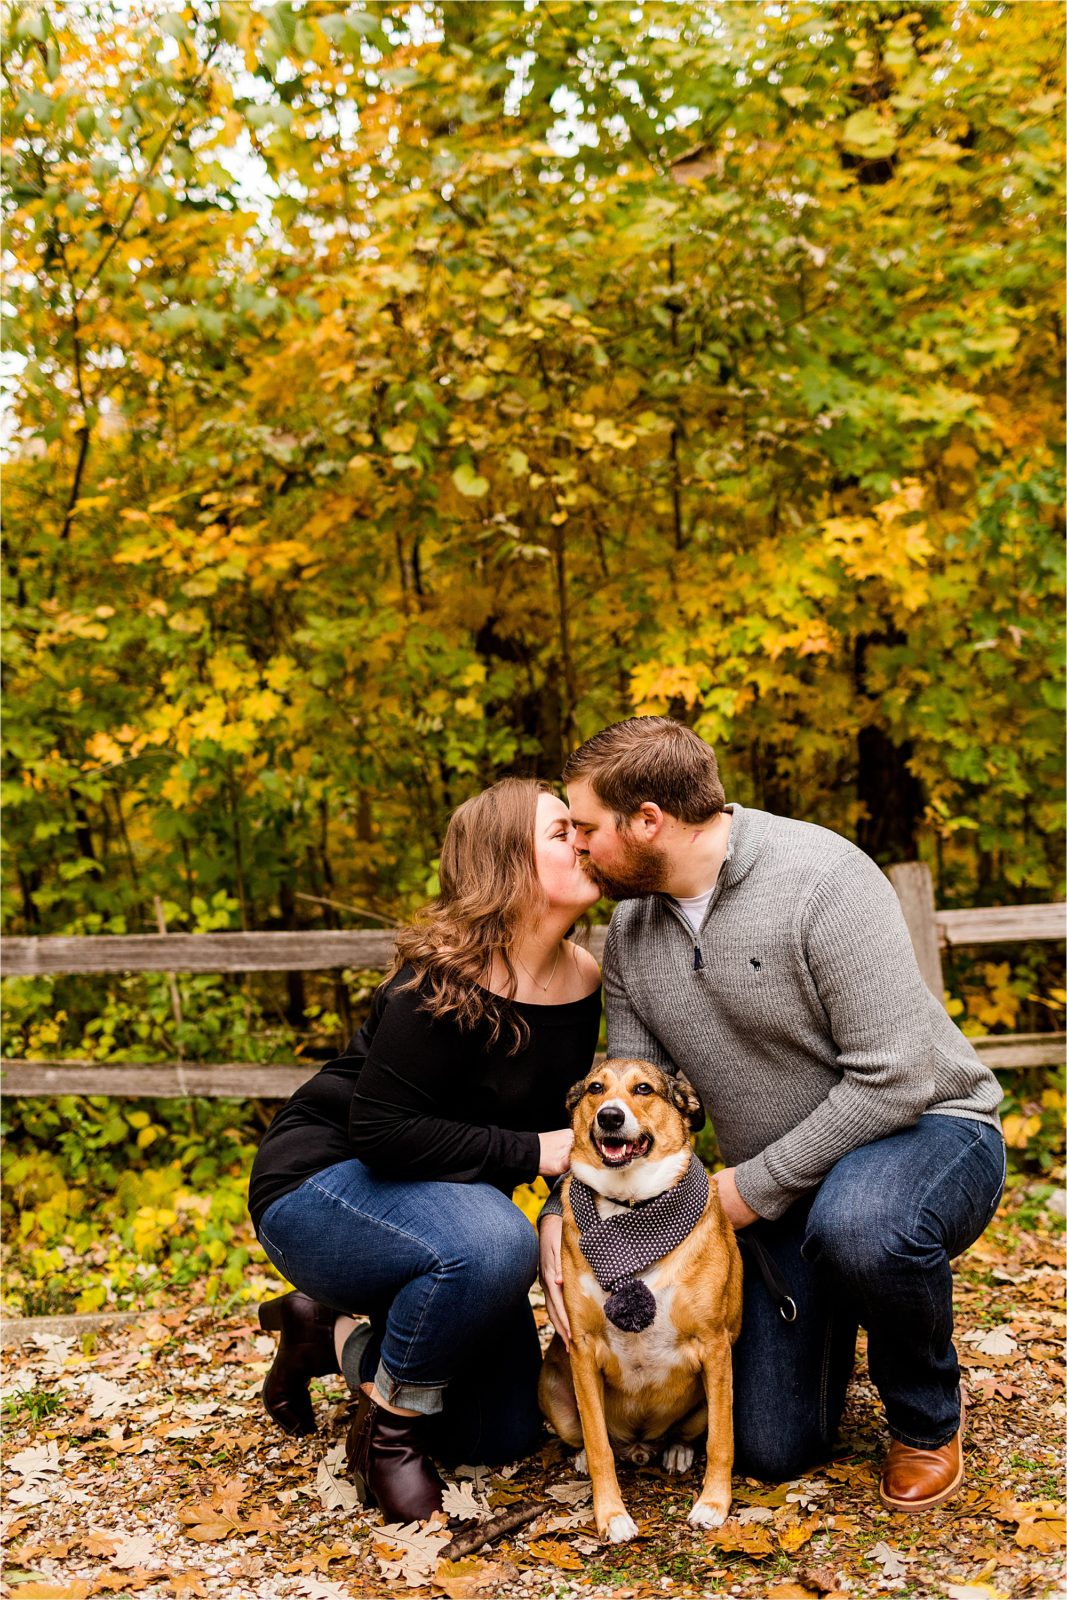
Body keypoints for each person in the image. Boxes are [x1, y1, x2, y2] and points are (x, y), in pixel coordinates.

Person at [538, 717, 1005, 1512]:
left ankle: (925, 1417)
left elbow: (895, 1077)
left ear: (647, 820)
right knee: (771, 1447)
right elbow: (637, 1102)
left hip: (929, 1131)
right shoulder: (631, 929)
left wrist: (747, 1192)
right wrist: (567, 1206)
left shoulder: (823, 878)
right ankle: (837, 1306)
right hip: (783, 1183)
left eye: (585, 828)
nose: (577, 847)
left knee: (861, 1225)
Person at [249, 778, 601, 1524]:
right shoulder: (438, 979)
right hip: (324, 1182)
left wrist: (556, 1208)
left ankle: (323, 1332)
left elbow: (561, 1132)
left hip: (448, 1206)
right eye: (561, 831)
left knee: (496, 1434)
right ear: (507, 861)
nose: (583, 841)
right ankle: (389, 1436)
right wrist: (528, 1155)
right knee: (490, 1237)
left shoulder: (582, 979)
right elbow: (380, 1131)